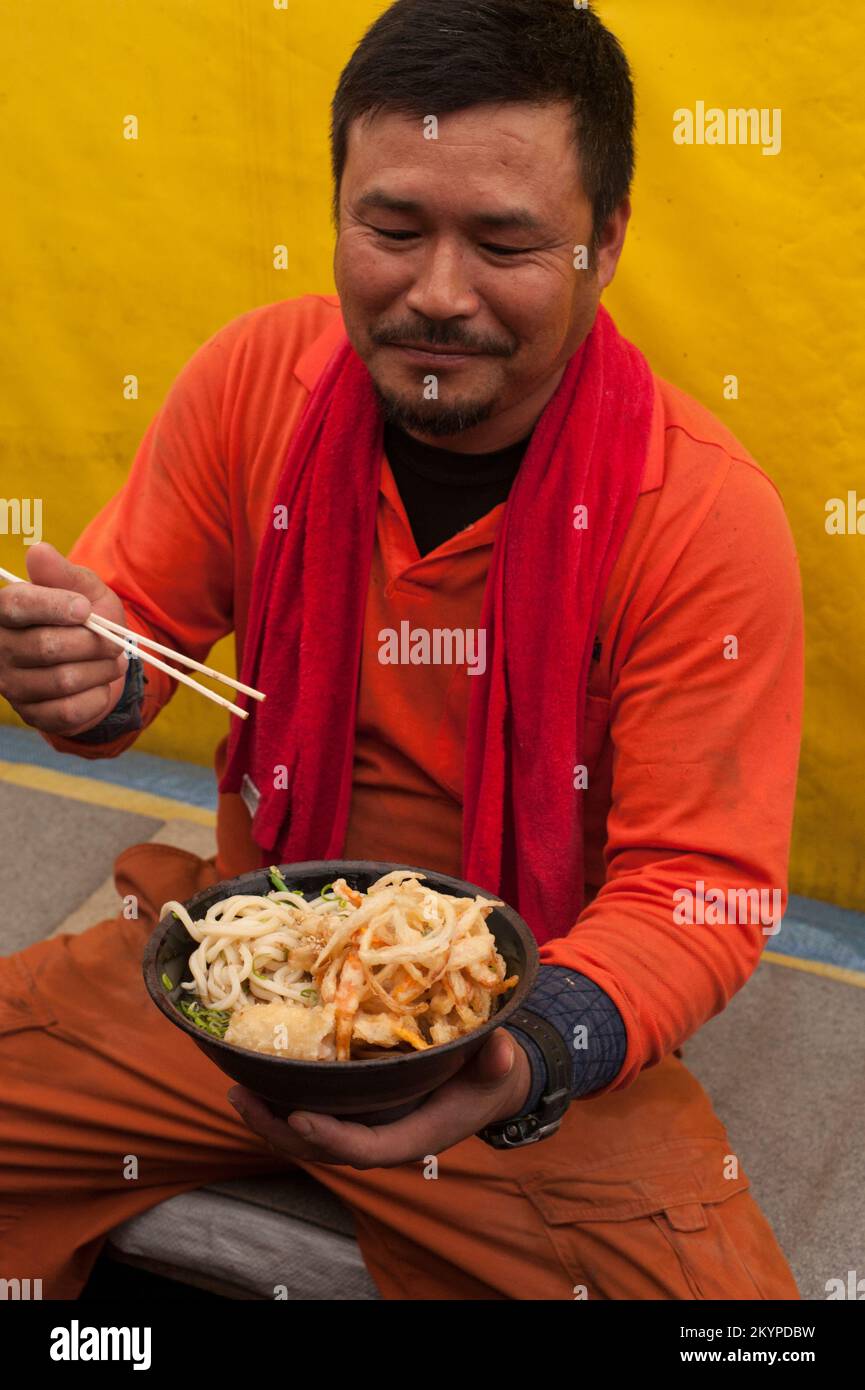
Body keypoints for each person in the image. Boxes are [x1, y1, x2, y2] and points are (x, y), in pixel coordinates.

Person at [0, 0, 803, 1299]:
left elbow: (690, 888)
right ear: (336, 217)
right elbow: (133, 638)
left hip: (507, 1018)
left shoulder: (698, 515)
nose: (436, 292)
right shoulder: (258, 380)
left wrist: (526, 1049)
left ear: (605, 242)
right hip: (238, 982)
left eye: (503, 241)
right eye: (390, 228)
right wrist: (87, 680)